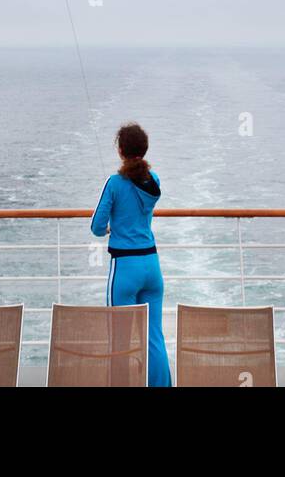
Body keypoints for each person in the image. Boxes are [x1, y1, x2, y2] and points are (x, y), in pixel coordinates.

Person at [90, 122, 172, 387]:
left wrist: (111, 228)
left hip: (125, 267)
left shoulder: (114, 183)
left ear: (121, 150)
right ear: (144, 150)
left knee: (120, 339)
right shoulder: (154, 181)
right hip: (152, 265)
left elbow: (96, 227)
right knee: (154, 337)